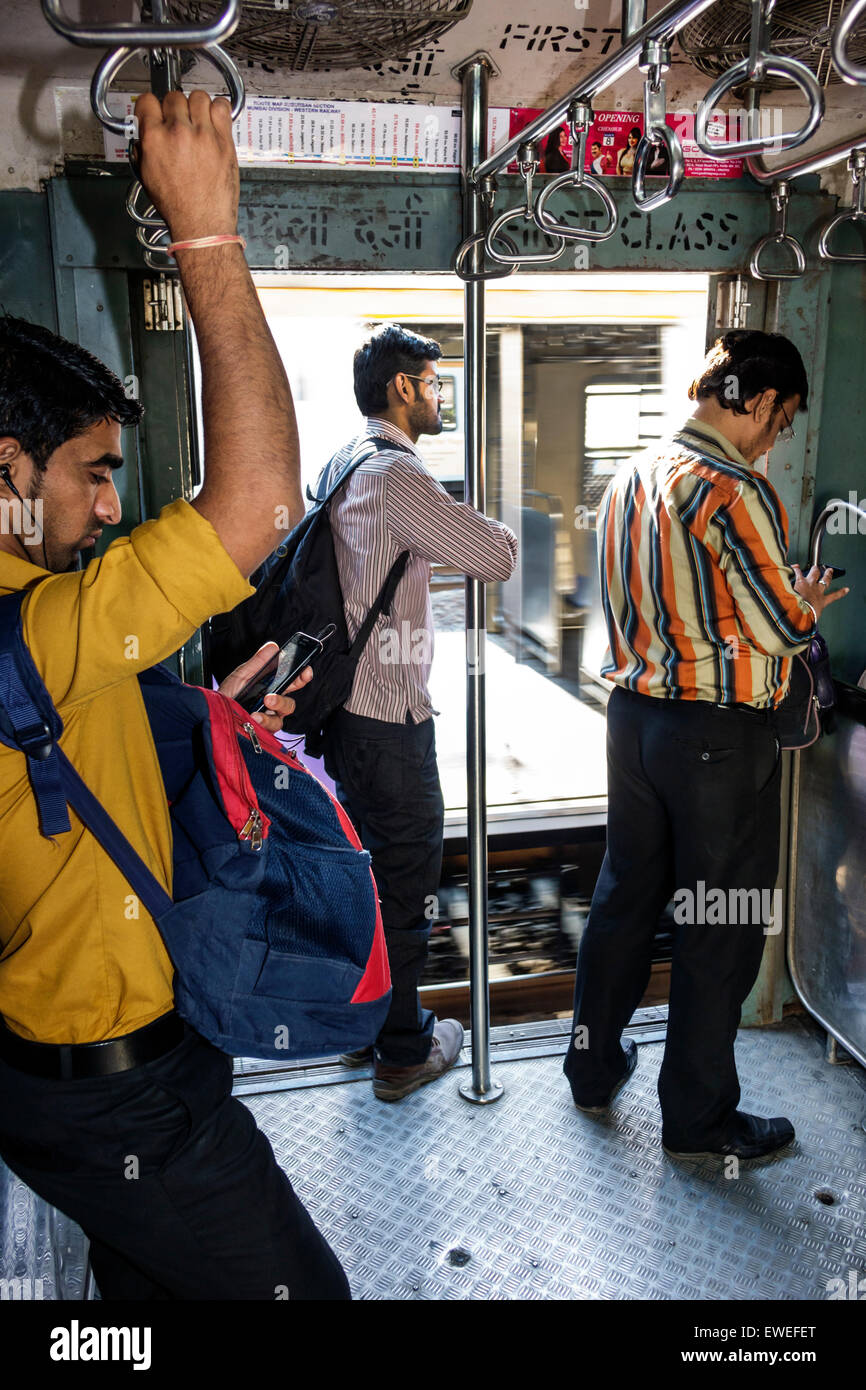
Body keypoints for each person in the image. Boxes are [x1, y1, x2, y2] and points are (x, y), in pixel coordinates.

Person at [0, 92, 350, 1299]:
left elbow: (52, 755)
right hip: (113, 1095)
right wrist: (207, 232)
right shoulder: (35, 626)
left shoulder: (38, 624)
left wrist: (207, 720)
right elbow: (257, 502)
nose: (109, 507)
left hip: (122, 1064)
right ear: (6, 470)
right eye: (93, 475)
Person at [563, 330, 849, 1161]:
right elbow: (775, 626)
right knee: (719, 921)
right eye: (782, 417)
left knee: (623, 896)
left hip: (634, 719)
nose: (776, 436)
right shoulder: (734, 488)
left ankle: (592, 1068)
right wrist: (803, 606)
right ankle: (696, 1123)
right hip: (716, 737)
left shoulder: (630, 474)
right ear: (755, 398)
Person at [320, 324, 517, 1102]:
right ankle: (404, 1051)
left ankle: (367, 1024)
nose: (442, 397)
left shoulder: (342, 463)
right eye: (435, 383)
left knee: (367, 884)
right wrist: (468, 517)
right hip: (389, 724)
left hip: (345, 717)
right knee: (406, 888)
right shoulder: (399, 477)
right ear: (403, 388)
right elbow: (497, 556)